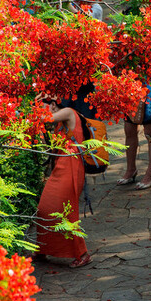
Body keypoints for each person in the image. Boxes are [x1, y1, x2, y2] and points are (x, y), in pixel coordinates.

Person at [35, 104, 91, 268]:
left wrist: (39, 110)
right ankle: (42, 250)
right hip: (61, 168)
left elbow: (44, 119)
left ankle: (83, 253)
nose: (50, 106)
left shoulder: (68, 112)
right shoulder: (61, 121)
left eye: (51, 103)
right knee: (45, 207)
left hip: (71, 169)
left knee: (67, 211)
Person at [120, 81, 151, 189]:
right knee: (129, 130)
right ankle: (131, 170)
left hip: (150, 88)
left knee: (150, 134)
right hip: (130, 86)